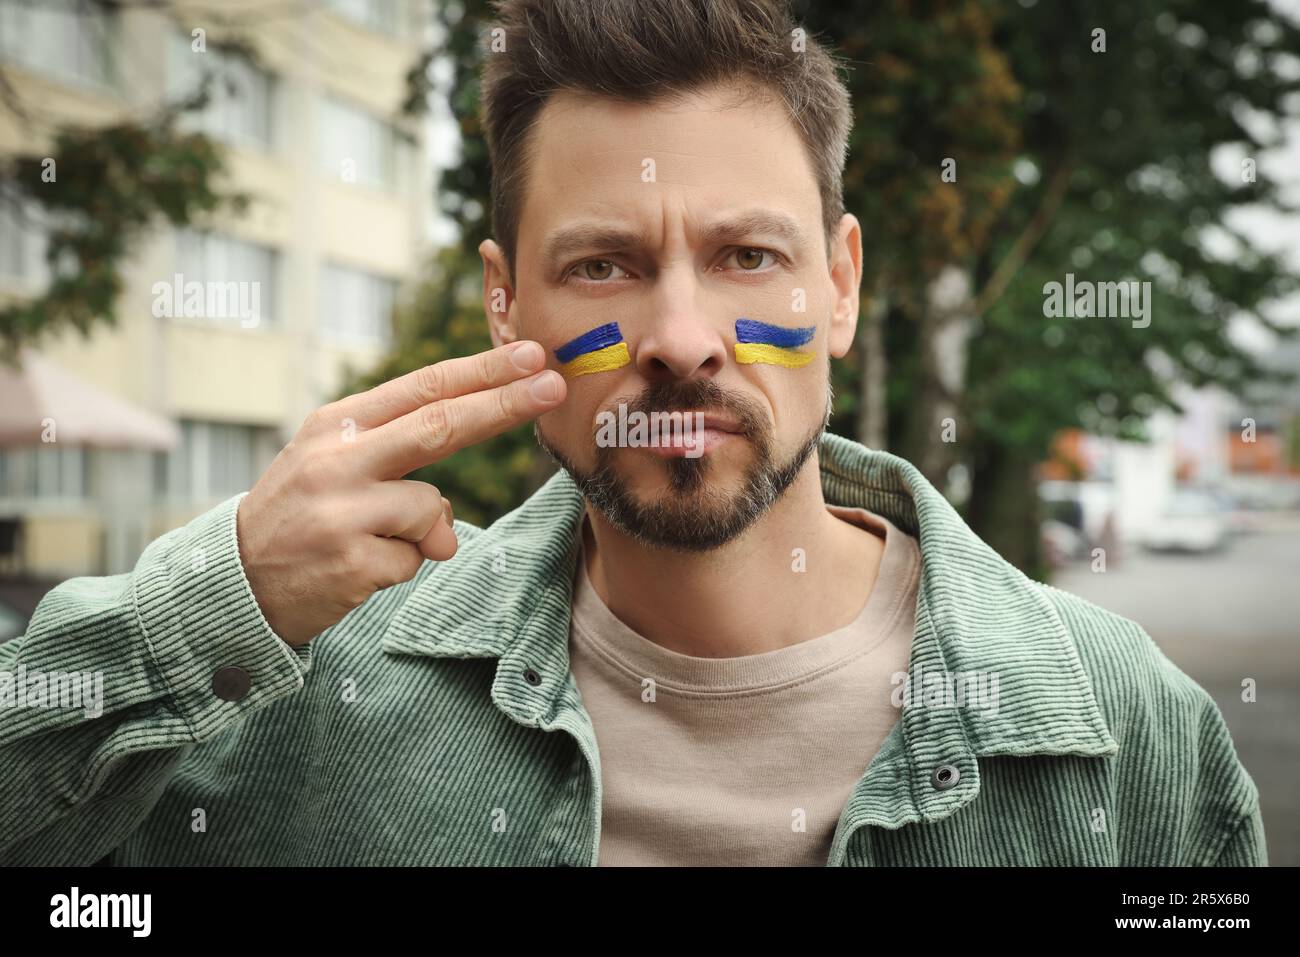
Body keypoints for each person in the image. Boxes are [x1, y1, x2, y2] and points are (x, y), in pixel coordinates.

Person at [0, 0, 1264, 866]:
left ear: (839, 286)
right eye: (602, 265)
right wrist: (210, 609)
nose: (677, 336)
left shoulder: (1124, 732)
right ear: (508, 303)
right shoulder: (309, 691)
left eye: (746, 255)